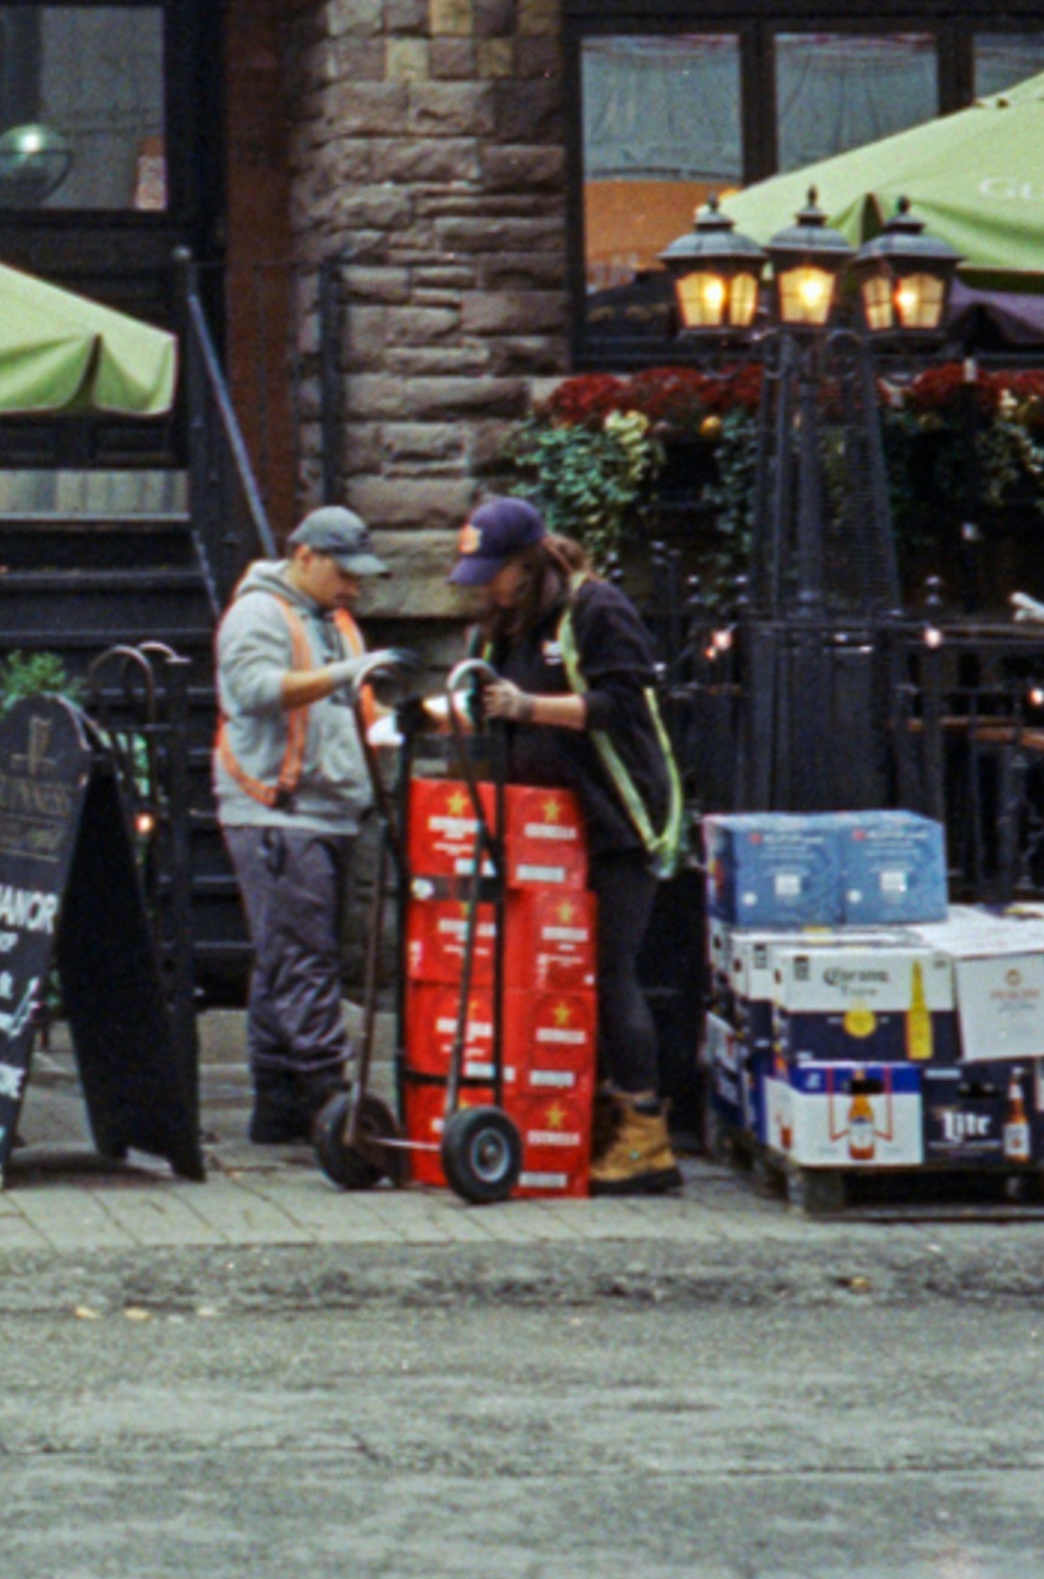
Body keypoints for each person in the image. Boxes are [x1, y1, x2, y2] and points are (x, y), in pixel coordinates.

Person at [421, 494, 690, 1195]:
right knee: (557, 978)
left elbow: (623, 704)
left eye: (495, 571)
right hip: (541, 831)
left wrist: (528, 706)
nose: (485, 585)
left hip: (613, 821)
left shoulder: (595, 610)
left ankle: (644, 1135)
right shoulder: (501, 629)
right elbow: (483, 704)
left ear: (529, 561)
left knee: (609, 969)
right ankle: (584, 1116)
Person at [211, 505, 403, 1151]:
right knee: (303, 960)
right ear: (305, 556)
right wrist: (348, 673)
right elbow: (257, 690)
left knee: (284, 958)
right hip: (279, 811)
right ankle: (332, 1099)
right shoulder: (257, 614)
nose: (354, 587)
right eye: (344, 573)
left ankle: (281, 1105)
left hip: (321, 808)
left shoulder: (336, 621)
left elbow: (357, 708)